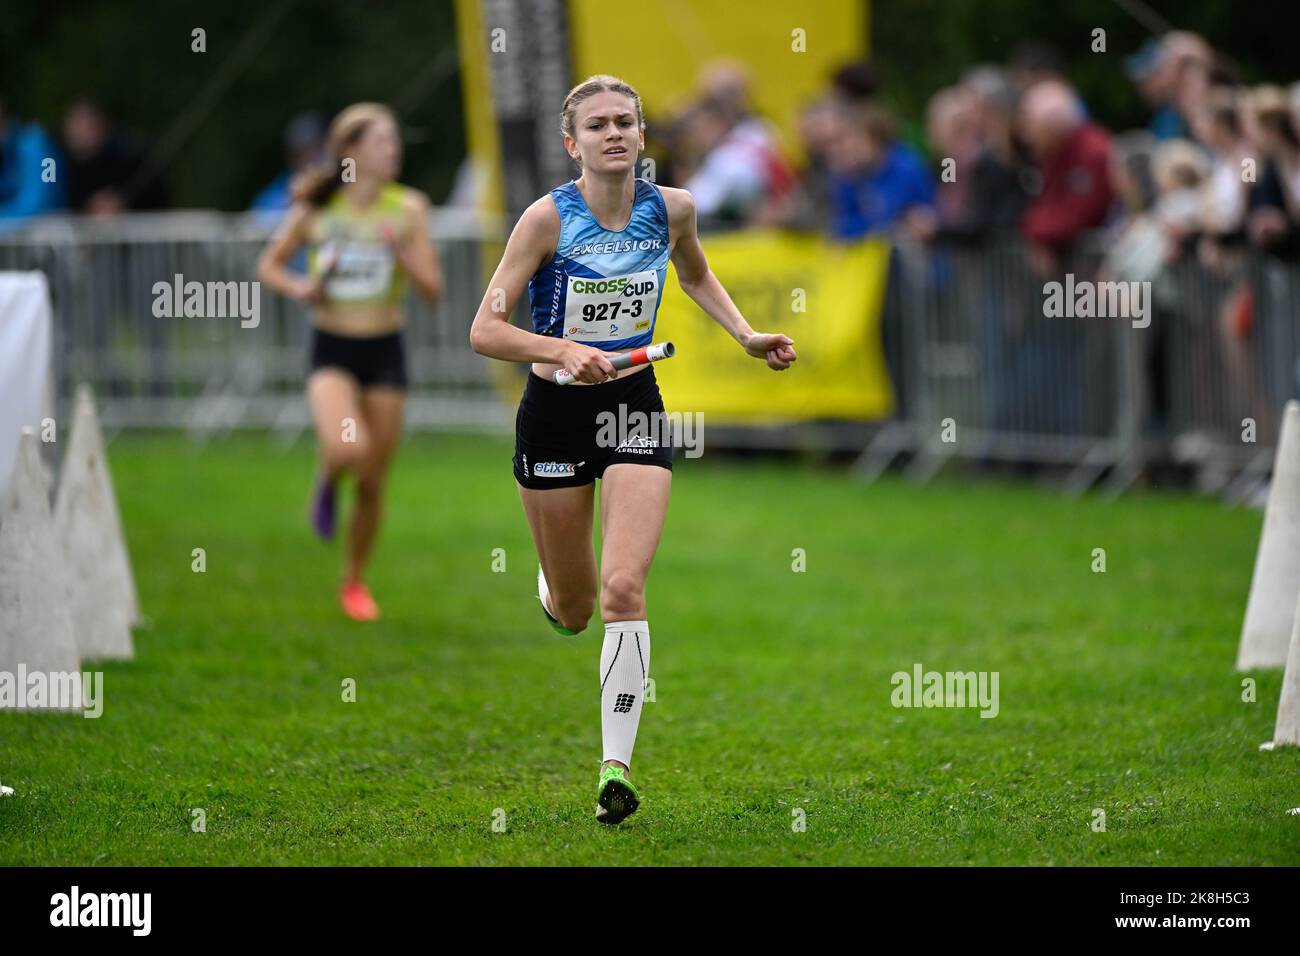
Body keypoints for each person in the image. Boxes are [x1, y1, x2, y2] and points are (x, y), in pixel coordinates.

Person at [468, 74, 796, 824]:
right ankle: (552, 589)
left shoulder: (671, 209)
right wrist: (560, 348)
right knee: (579, 606)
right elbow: (485, 331)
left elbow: (697, 274)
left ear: (642, 135)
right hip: (553, 416)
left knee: (624, 590)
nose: (613, 134)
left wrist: (746, 335)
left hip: (633, 410)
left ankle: (615, 769)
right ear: (571, 143)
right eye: (597, 125)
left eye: (626, 121)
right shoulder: (544, 221)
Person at [257, 103, 443, 621]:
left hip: (385, 352)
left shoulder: (409, 208)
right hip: (332, 349)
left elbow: (432, 289)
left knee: (372, 482)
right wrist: (303, 287)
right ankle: (325, 476)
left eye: (395, 141)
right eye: (383, 141)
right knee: (346, 448)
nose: (395, 149)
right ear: (351, 151)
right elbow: (268, 266)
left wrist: (403, 252)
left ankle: (354, 581)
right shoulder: (318, 209)